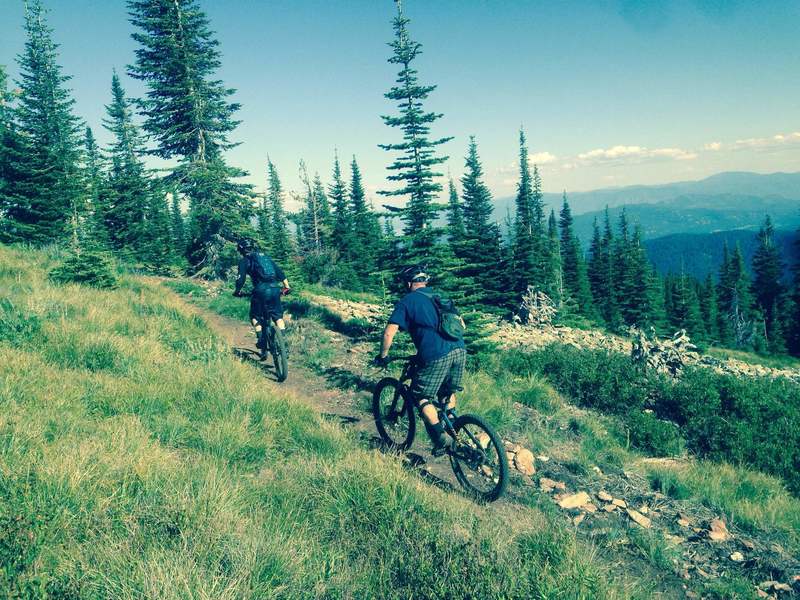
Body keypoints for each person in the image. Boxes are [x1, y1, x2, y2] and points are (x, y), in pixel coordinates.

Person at [374, 265, 466, 456]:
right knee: (446, 392)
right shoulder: (441, 296)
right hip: (460, 349)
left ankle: (441, 440)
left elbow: (389, 332)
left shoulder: (407, 301)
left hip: (435, 354)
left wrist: (383, 356)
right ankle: (454, 433)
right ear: (425, 281)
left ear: (408, 283)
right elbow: (461, 324)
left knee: (420, 395)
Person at [233, 239, 291, 356]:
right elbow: (279, 272)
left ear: (241, 250)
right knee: (278, 316)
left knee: (255, 316)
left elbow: (241, 279)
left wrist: (238, 291)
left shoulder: (244, 261)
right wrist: (286, 287)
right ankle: (283, 344)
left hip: (260, 291)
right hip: (275, 288)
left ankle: (261, 341)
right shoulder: (265, 257)